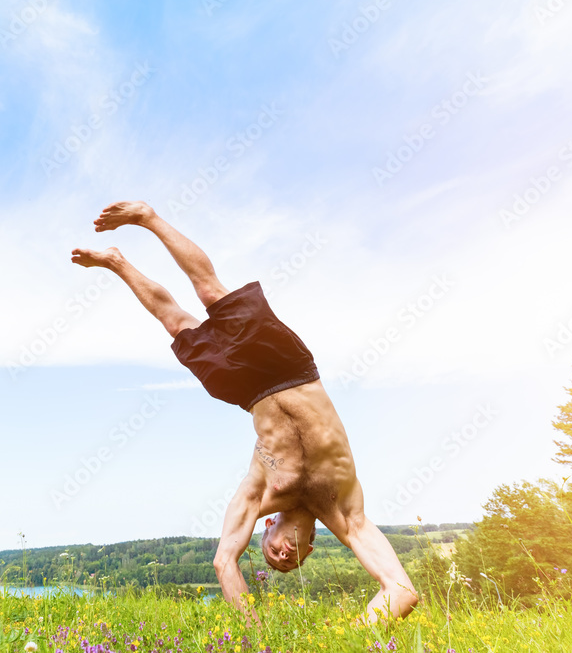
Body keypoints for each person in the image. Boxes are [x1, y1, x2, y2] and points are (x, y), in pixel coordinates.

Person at [71, 201, 417, 623]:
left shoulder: (259, 491)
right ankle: (147, 217)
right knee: (212, 292)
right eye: (290, 559)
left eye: (274, 558)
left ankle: (116, 262)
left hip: (246, 392)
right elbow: (402, 591)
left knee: (176, 322)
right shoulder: (346, 511)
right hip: (291, 371)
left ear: (263, 528)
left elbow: (223, 563)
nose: (283, 556)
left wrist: (259, 634)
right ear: (306, 545)